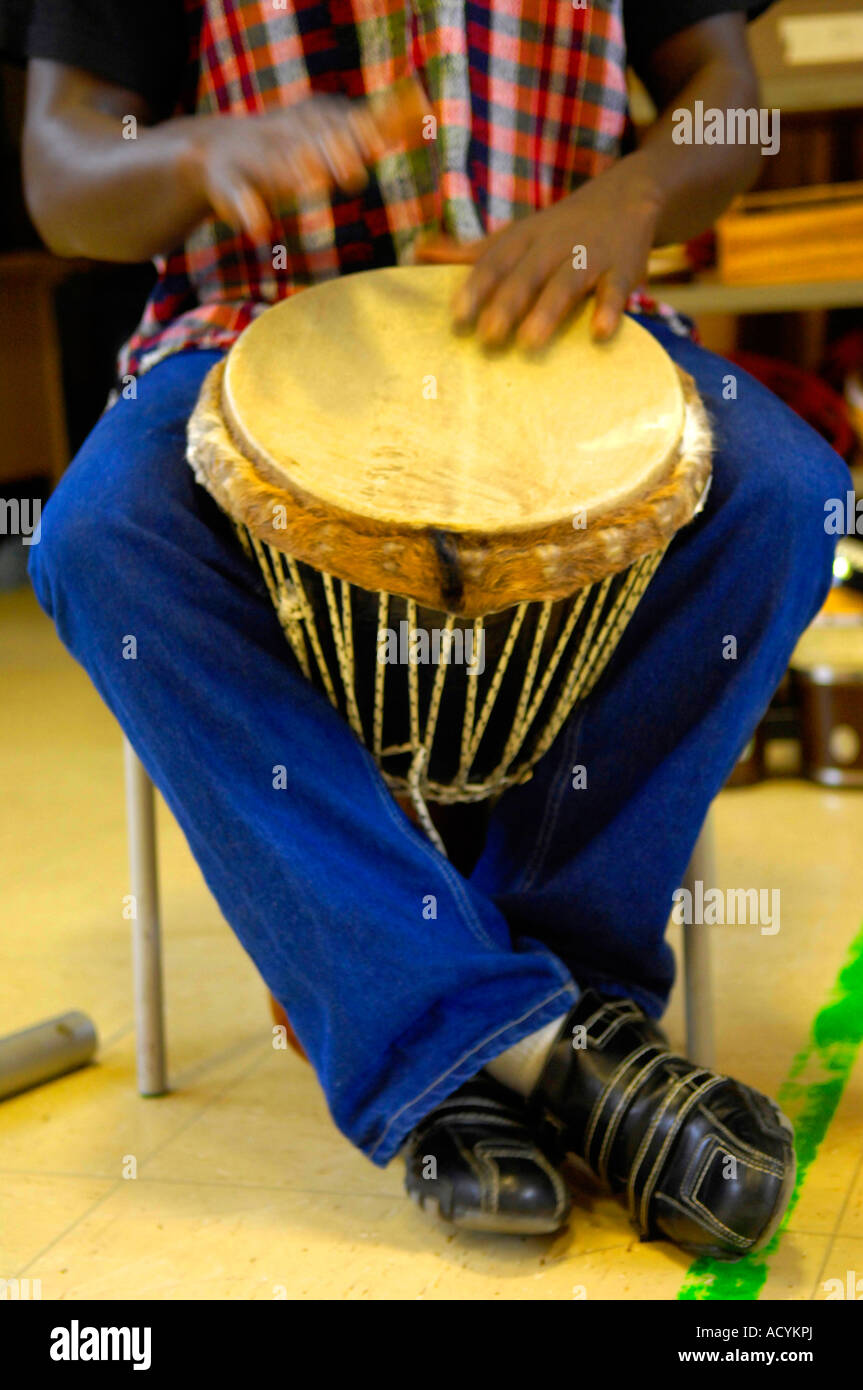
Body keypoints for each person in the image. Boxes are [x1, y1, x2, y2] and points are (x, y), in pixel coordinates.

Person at [8, 0, 850, 1255]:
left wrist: (624, 199)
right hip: (244, 339)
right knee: (99, 538)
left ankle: (498, 1016)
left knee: (783, 492)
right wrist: (188, 156)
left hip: (568, 329)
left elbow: (728, 101)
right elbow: (63, 168)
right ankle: (549, 1043)